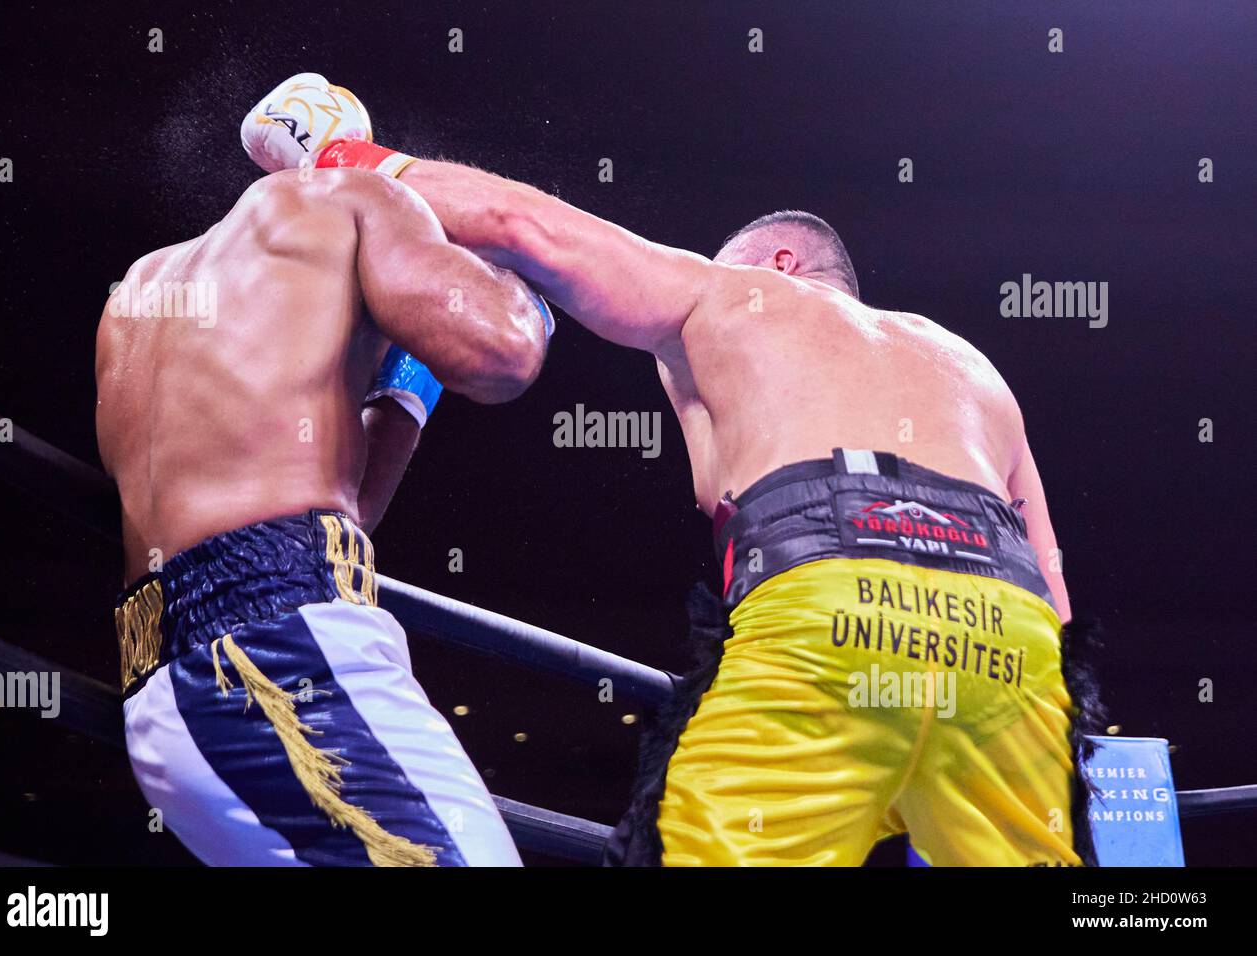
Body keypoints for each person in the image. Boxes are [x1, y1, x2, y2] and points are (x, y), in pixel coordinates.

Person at [244, 75, 1095, 866]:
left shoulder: (730, 295)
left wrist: (346, 160)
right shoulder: (972, 369)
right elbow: (1055, 589)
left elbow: (523, 227)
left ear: (781, 266)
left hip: (829, 604)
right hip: (1010, 654)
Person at [98, 75, 553, 866]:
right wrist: (520, 289)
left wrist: (407, 383)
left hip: (162, 690)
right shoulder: (359, 201)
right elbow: (501, 350)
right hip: (279, 658)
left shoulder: (141, 287)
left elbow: (343, 508)